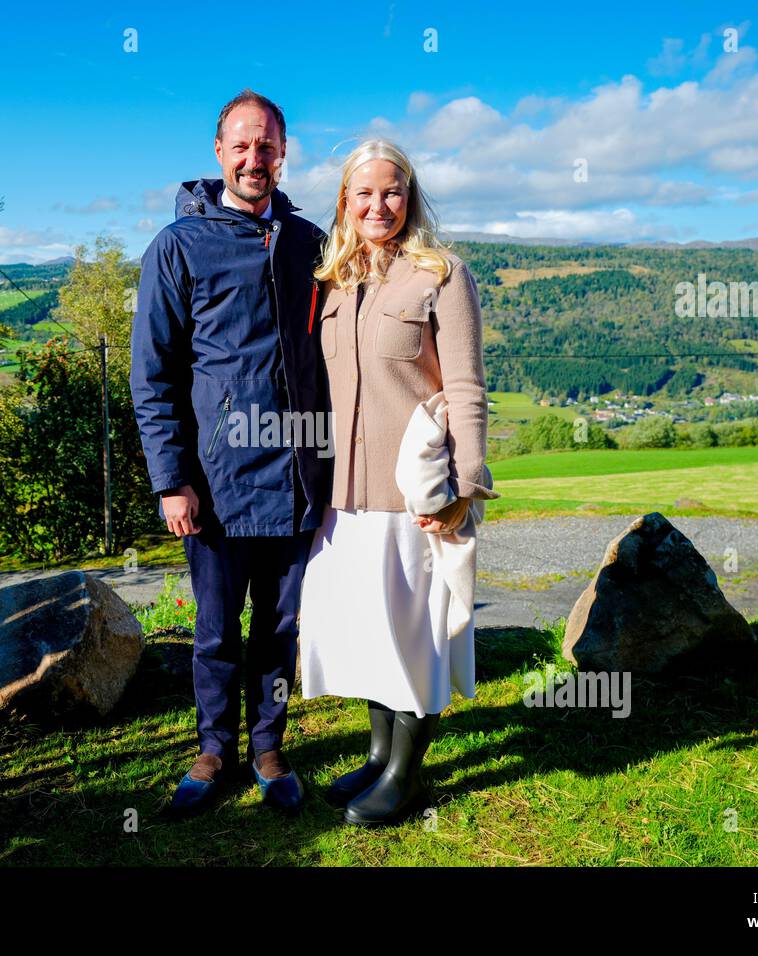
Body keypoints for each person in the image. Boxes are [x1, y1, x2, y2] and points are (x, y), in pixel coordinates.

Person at [129, 89, 331, 818]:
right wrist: (171, 480)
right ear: (219, 152)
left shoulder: (311, 243)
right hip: (213, 485)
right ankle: (213, 749)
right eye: (242, 145)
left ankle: (268, 747)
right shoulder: (177, 247)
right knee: (215, 634)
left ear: (283, 153)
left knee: (279, 632)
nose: (256, 158)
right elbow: (151, 375)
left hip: (298, 479)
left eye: (268, 146)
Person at [299, 138, 497, 826]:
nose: (377, 205)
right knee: (371, 635)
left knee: (414, 640)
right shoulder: (337, 284)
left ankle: (407, 777)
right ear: (344, 203)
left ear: (409, 198)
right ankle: (380, 757)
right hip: (346, 499)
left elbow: (467, 385)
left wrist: (466, 487)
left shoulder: (442, 275)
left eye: (392, 191)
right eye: (363, 193)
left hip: (415, 496)